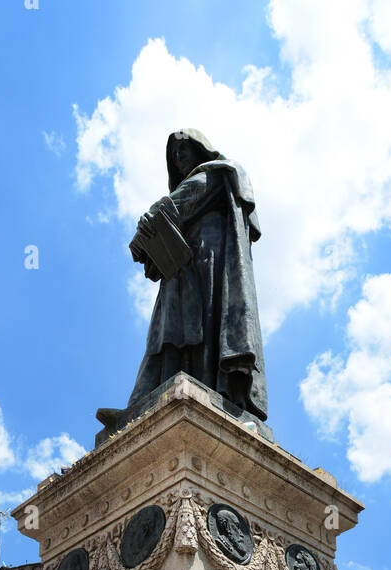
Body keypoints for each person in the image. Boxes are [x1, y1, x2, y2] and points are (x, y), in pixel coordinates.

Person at [97, 130, 267, 428]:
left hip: (207, 259)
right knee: (167, 332)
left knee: (202, 325)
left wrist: (151, 218)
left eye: (183, 150)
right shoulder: (204, 178)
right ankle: (141, 401)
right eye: (173, 155)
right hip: (182, 264)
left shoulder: (216, 173)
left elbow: (179, 202)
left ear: (201, 149)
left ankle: (200, 390)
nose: (178, 158)